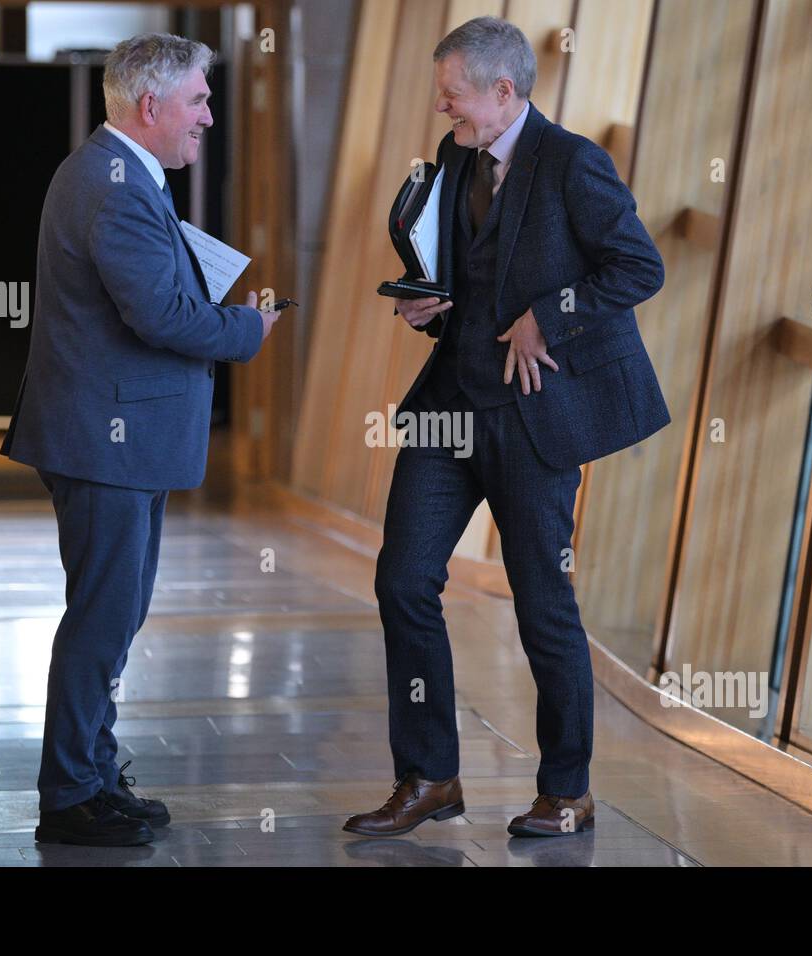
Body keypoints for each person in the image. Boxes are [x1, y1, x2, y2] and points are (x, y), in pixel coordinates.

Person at [344, 16, 666, 839]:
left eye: (452, 90)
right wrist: (428, 307)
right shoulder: (455, 159)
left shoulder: (574, 162)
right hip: (451, 408)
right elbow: (460, 275)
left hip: (534, 421)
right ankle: (429, 777)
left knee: (541, 606)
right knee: (403, 581)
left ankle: (568, 788)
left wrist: (544, 318)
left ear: (503, 91)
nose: (440, 103)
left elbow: (639, 266)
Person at [0, 32, 280, 846]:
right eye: (198, 100)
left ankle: (92, 770)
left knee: (113, 613)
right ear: (151, 106)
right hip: (104, 438)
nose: (209, 116)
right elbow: (159, 315)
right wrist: (248, 327)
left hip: (114, 435)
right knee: (103, 615)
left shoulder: (115, 173)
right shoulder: (115, 184)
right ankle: (70, 795)